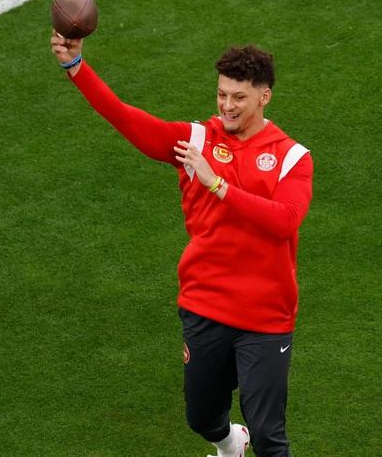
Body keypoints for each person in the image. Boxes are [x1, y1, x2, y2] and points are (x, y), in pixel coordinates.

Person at [51, 35, 313, 457]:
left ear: (264, 97)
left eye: (239, 97)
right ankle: (231, 444)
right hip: (206, 303)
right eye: (222, 94)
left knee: (269, 435)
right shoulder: (195, 142)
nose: (227, 106)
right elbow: (125, 117)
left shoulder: (292, 158)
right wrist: (76, 66)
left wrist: (217, 183)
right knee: (202, 417)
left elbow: (284, 221)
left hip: (266, 316)